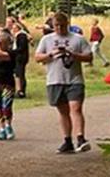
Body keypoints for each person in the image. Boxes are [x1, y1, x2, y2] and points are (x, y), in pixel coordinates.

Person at [35, 12, 94, 153]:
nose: (59, 28)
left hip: (74, 80)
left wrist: (73, 55)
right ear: (52, 25)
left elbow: (89, 56)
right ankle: (67, 141)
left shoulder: (78, 39)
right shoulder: (46, 39)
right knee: (63, 111)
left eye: (62, 25)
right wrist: (50, 54)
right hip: (55, 79)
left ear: (68, 24)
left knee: (76, 108)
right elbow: (37, 57)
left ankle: (80, 138)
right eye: (56, 26)